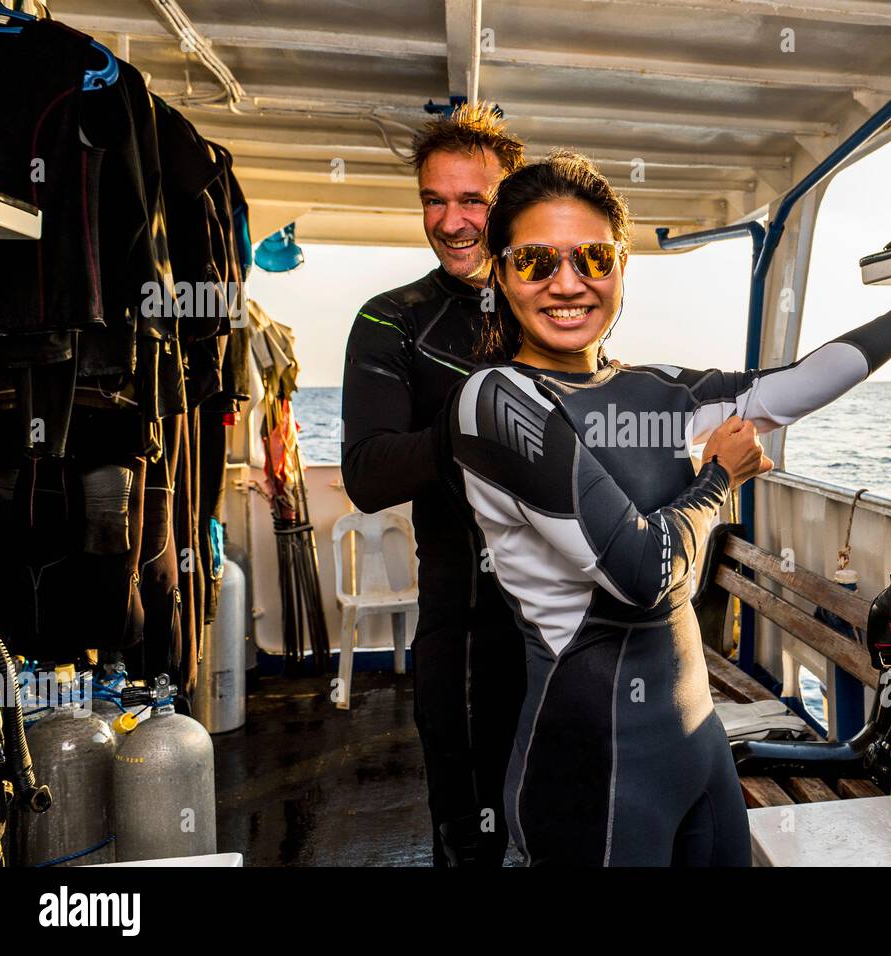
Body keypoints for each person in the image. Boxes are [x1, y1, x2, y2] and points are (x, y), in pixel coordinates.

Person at [446, 151, 891, 866]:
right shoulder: (494, 402)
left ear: (621, 267)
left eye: (592, 257)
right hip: (588, 765)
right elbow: (642, 577)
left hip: (697, 746)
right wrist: (718, 480)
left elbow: (797, 384)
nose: (567, 283)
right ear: (498, 273)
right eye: (534, 262)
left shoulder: (655, 391)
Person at [340, 102, 527, 866]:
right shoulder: (391, 322)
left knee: (563, 809)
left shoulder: (550, 306)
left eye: (472, 199)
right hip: (459, 608)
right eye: (433, 200)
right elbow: (368, 475)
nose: (450, 221)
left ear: (508, 204)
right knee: (467, 820)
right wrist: (483, 421)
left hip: (563, 614)